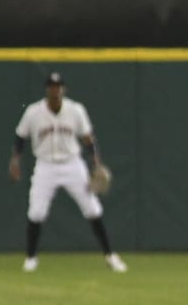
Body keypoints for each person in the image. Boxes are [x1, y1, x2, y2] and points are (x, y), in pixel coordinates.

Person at [8, 71, 128, 274]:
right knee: (36, 212)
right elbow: (20, 136)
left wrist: (96, 163)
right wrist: (15, 160)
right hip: (45, 165)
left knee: (92, 209)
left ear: (63, 89)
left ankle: (110, 256)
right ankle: (30, 258)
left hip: (72, 165)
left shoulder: (76, 110)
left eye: (58, 86)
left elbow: (88, 138)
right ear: (47, 89)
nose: (55, 89)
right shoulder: (33, 112)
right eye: (52, 86)